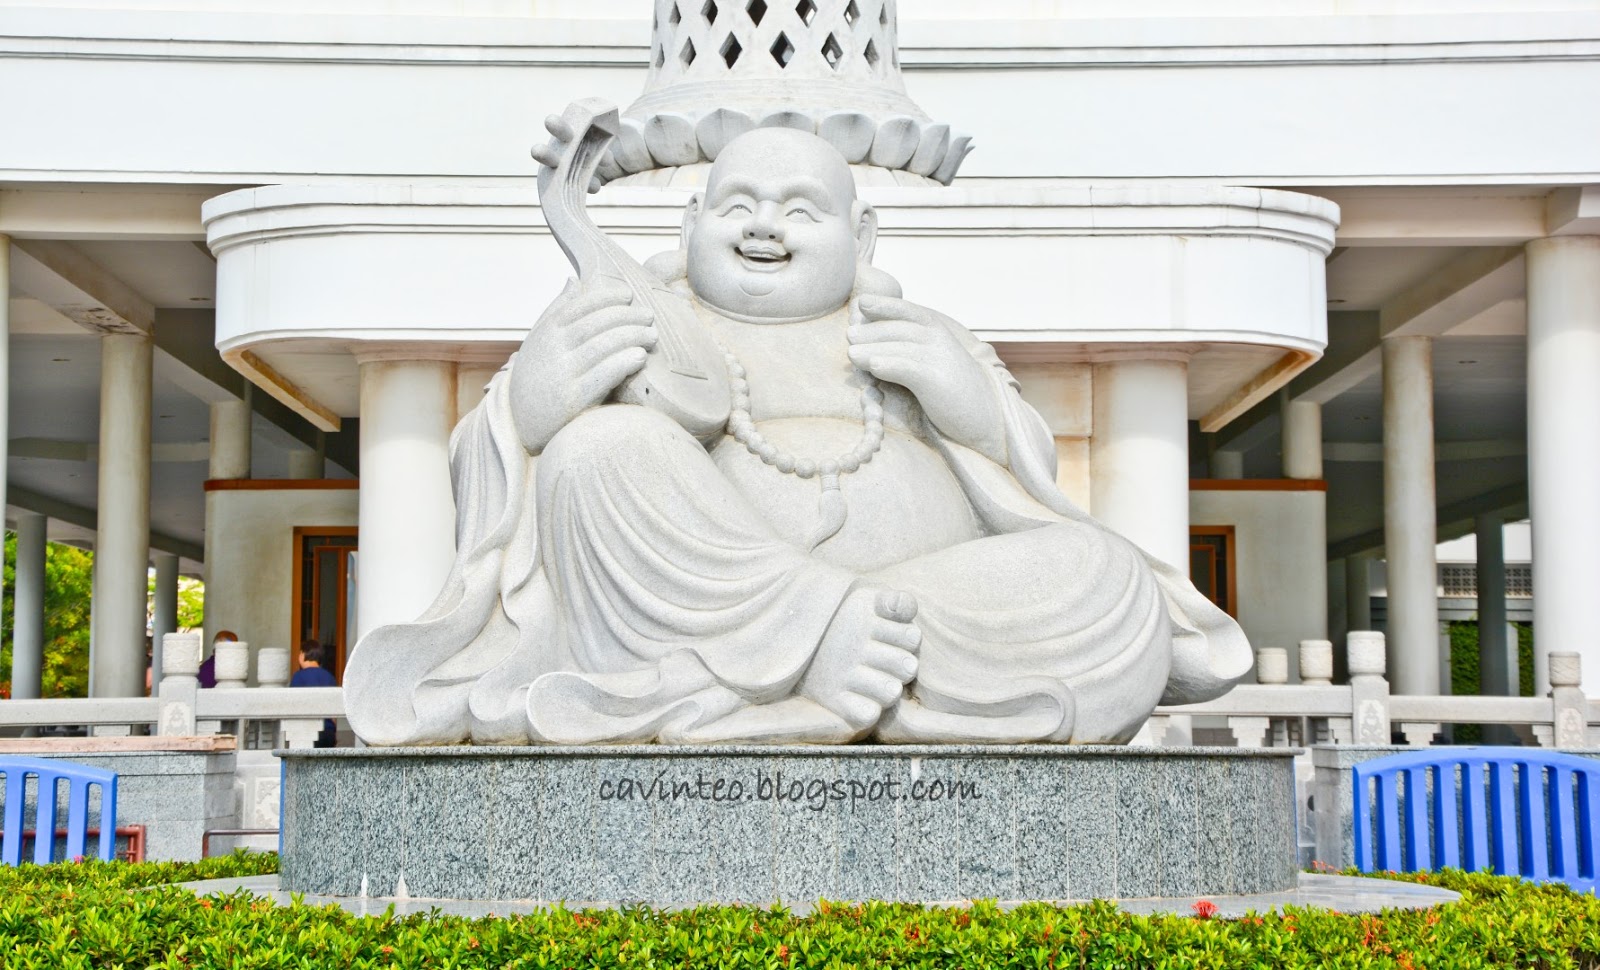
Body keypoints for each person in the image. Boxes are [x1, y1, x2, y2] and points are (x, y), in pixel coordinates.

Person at [345, 126, 1249, 747]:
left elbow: (1028, 493)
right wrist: (532, 405)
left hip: (907, 613)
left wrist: (973, 409)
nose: (765, 225)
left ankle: (804, 673)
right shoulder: (633, 319)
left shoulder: (922, 334)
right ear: (690, 224)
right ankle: (824, 648)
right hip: (692, 609)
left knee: (1111, 581)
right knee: (596, 453)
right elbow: (503, 476)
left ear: (861, 235)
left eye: (800, 208)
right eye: (737, 204)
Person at [290, 640, 338, 747]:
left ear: (303, 654)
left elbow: (293, 706)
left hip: (305, 732)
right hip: (327, 732)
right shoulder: (330, 677)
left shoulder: (298, 677)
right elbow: (334, 713)